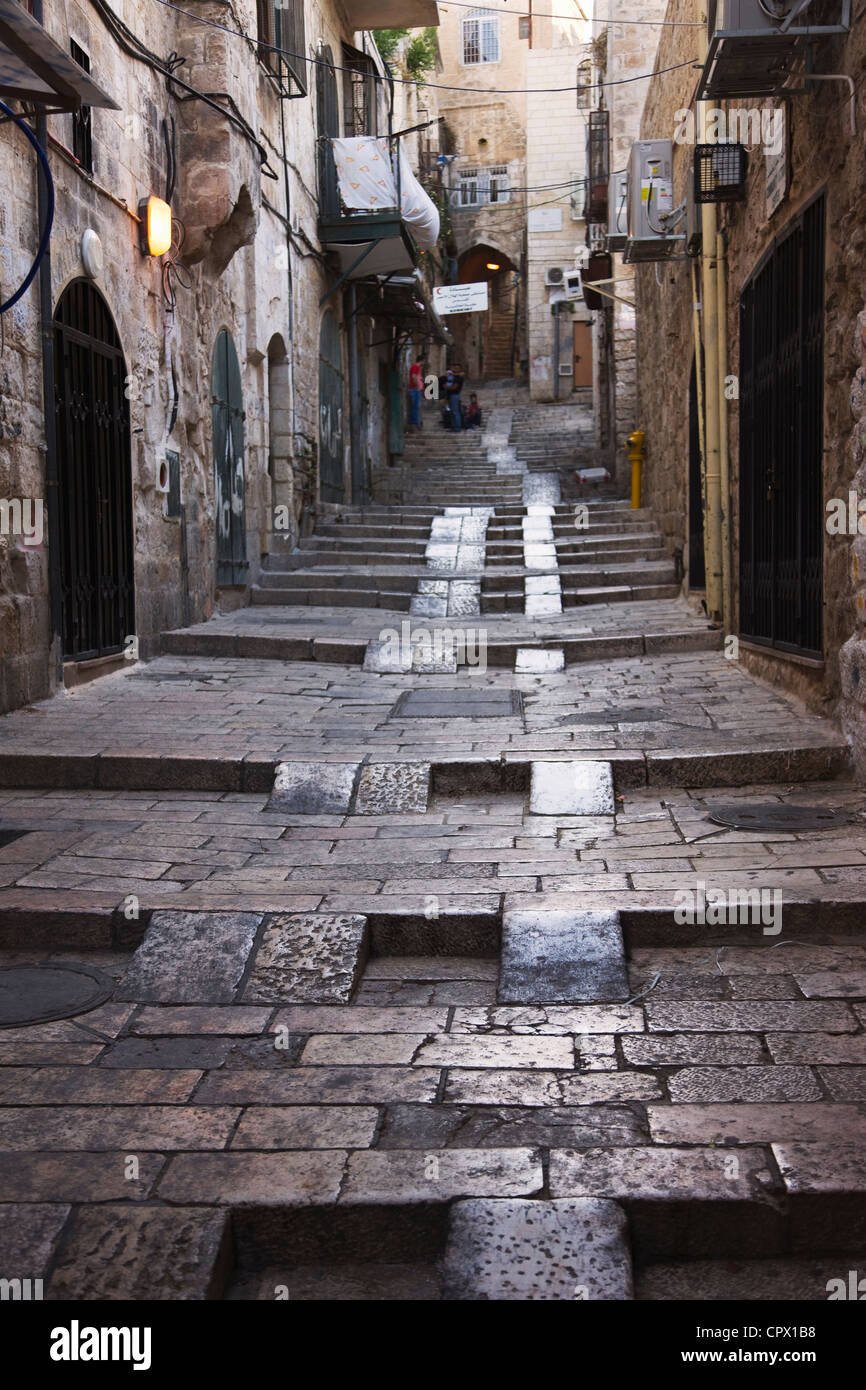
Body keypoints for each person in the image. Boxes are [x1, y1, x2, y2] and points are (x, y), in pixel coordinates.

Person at [444, 364, 464, 431]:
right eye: (454, 368)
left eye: (457, 368)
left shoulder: (459, 378)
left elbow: (454, 387)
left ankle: (457, 427)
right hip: (451, 395)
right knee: (452, 412)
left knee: (455, 412)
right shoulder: (454, 377)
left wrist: (446, 387)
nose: (455, 369)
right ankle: (453, 427)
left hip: (455, 395)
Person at [408, 356, 424, 432]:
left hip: (416, 389)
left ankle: (416, 424)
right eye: (424, 361)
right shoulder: (415, 367)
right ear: (422, 361)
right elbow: (413, 377)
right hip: (415, 389)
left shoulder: (417, 368)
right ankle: (414, 425)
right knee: (415, 407)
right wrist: (417, 386)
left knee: (416, 407)